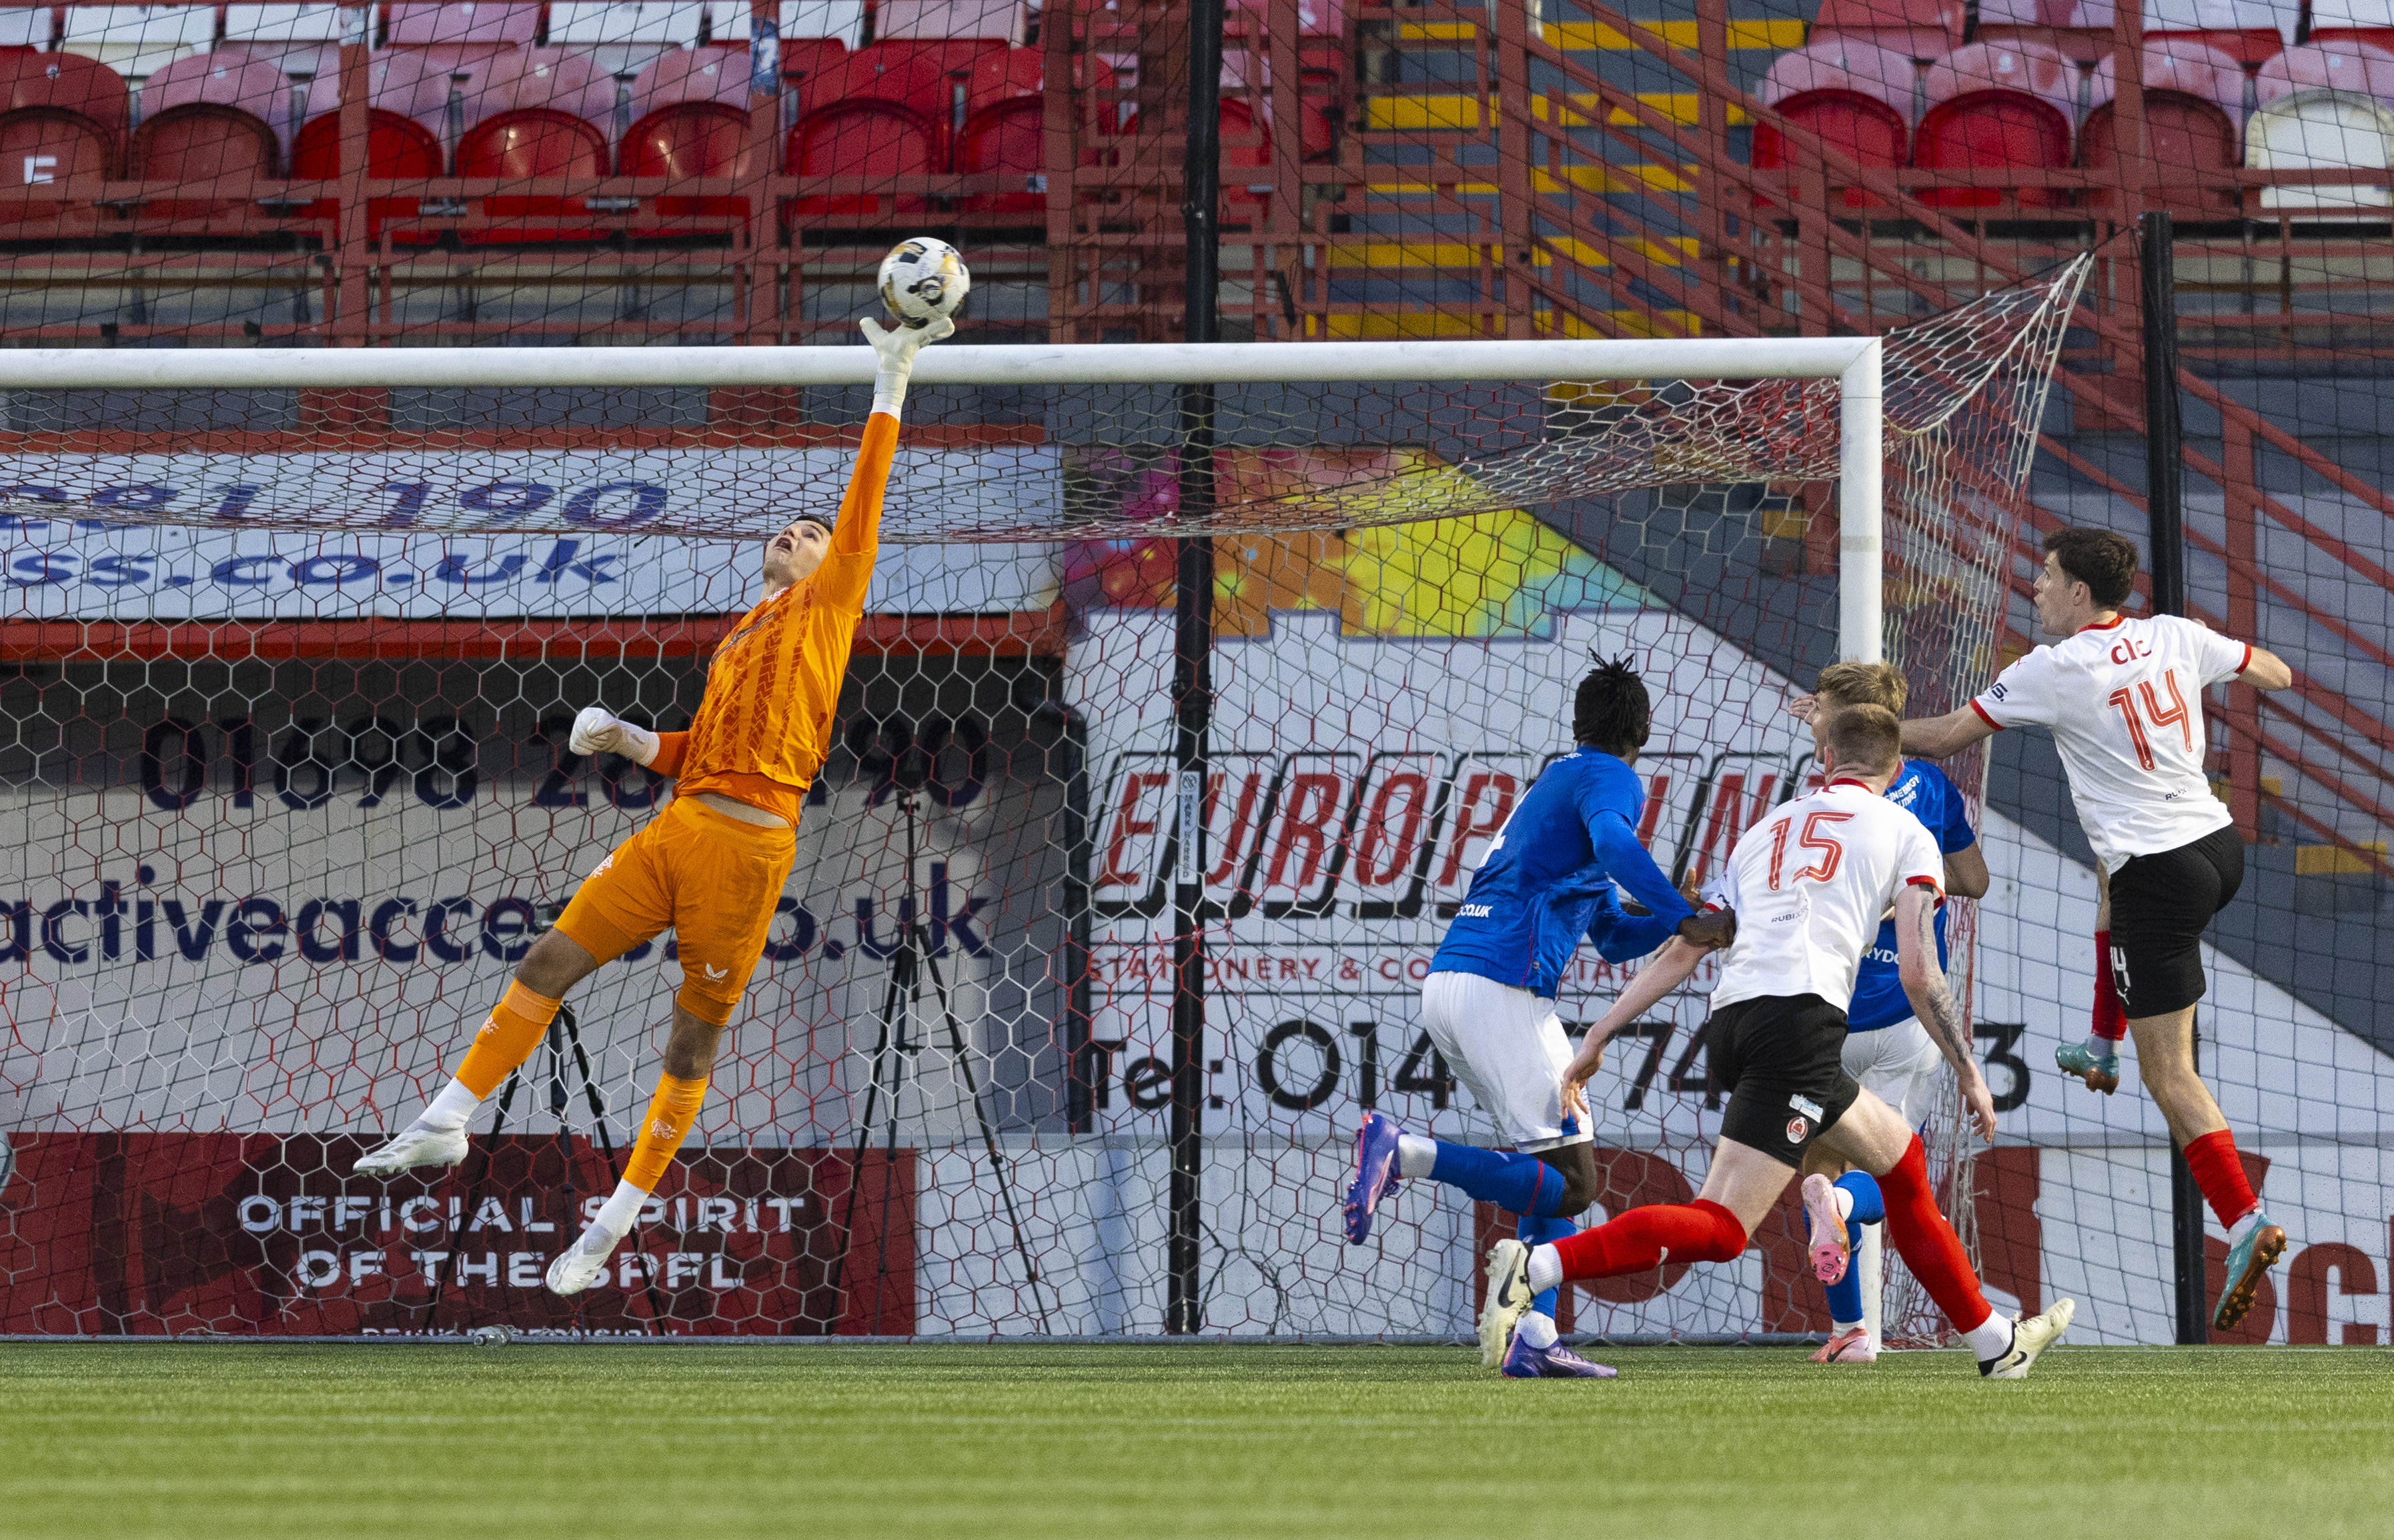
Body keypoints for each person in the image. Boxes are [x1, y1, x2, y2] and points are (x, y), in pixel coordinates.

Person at [352, 311, 955, 1299]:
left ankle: (607, 1230)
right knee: (550, 958)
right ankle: (444, 1120)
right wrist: (630, 741)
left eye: (811, 535)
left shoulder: (826, 606)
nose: (798, 536)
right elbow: (703, 756)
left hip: (745, 850)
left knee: (690, 1038)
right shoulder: (742, 632)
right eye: (790, 528)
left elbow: (862, 509)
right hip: (678, 826)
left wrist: (890, 382)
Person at [1483, 705, 2076, 1379]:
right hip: (1800, 1026)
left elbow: (1687, 944)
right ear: (1895, 766)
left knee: (1903, 1165)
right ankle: (1538, 1264)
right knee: (1720, 1227)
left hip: (1735, 1023)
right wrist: (1966, 1066)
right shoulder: (1906, 829)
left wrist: (1598, 1032)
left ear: (1826, 760)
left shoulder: (1763, 829)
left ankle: (1992, 1342)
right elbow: (1918, 969)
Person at [1898, 527, 2295, 1331]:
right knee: (2109, 883)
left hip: (2160, 873)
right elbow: (2274, 671)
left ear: (2080, 593)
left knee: (2171, 1074)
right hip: (2217, 847)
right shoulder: (2173, 632)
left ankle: (2244, 1218)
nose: (2035, 589)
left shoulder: (2053, 667)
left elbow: (1942, 737)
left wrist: (1858, 722)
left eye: (2045, 577)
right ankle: (2100, 1044)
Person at [1341, 654, 1736, 1379]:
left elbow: (1615, 935)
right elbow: (1619, 845)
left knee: (1551, 1157)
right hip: (1502, 984)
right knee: (1578, 1182)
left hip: (1458, 981)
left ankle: (1533, 1339)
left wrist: (1670, 919)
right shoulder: (1607, 778)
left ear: (1578, 721)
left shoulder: (1556, 784)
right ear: (1643, 728)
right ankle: (1405, 1153)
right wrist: (1689, 917)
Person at [1782, 662, 1990, 1363]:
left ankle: (1849, 1332)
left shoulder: (1816, 804)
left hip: (1832, 1011)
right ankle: (1841, 1209)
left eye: (1823, 712)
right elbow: (1975, 880)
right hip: (1906, 1017)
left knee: (1822, 1160)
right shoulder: (1929, 790)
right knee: (1891, 1174)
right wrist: (1921, 880)